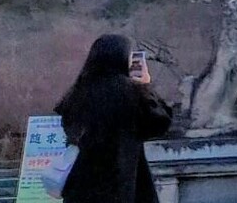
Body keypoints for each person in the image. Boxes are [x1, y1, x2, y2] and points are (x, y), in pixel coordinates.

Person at [54, 35, 172, 203]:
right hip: (123, 180)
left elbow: (70, 128)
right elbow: (159, 123)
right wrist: (145, 88)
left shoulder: (80, 91)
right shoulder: (131, 91)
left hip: (83, 182)